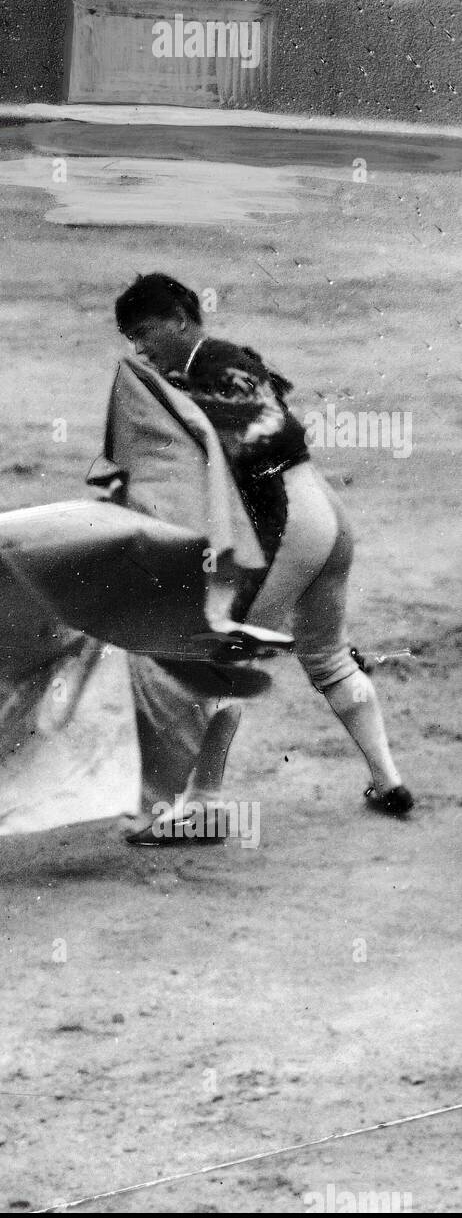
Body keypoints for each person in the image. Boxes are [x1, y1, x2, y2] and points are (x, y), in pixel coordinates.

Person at [112, 272, 414, 818]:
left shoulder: (214, 367)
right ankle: (388, 781)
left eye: (146, 331)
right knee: (326, 655)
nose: (140, 347)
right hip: (326, 517)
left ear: (180, 320)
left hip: (295, 522)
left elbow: (259, 443)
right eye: (132, 338)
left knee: (218, 656)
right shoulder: (219, 364)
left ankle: (202, 810)